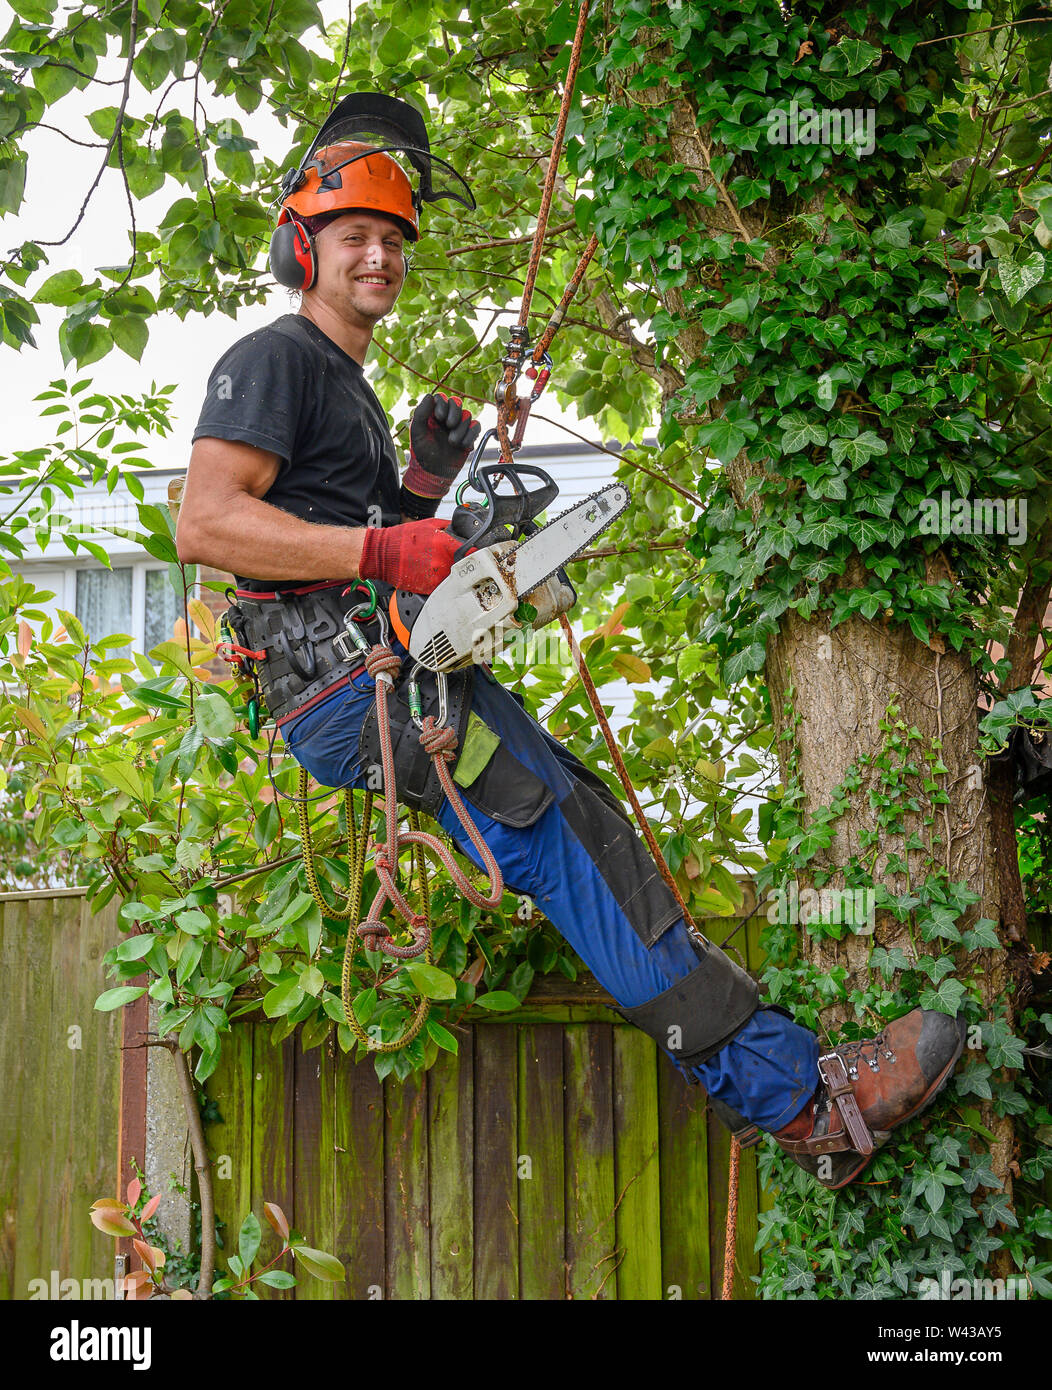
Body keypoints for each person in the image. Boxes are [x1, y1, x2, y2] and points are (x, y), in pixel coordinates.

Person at [175, 98, 965, 1190]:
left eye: (395, 241)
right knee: (569, 850)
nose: (379, 257)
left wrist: (414, 486)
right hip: (351, 693)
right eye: (355, 236)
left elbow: (347, 541)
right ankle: (803, 1104)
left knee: (582, 825)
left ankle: (794, 1095)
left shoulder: (341, 386)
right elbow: (207, 523)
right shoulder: (273, 357)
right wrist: (382, 543)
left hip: (392, 676)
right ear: (300, 248)